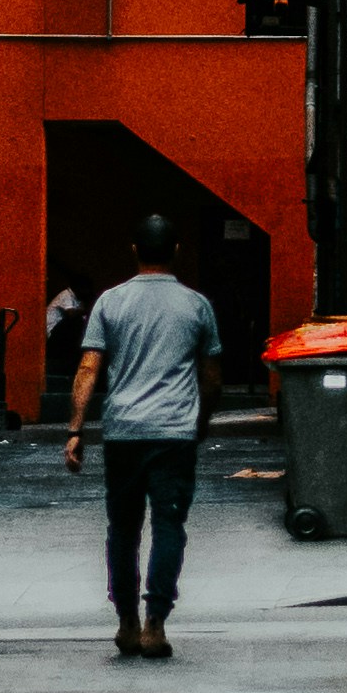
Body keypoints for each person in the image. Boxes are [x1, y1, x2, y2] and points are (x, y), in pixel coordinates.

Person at [66, 209, 222, 659]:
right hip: (174, 433)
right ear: (176, 251)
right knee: (169, 524)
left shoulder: (110, 303)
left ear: (134, 251)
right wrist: (201, 422)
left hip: (123, 433)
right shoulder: (196, 305)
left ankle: (126, 621)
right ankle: (156, 623)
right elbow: (212, 378)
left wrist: (76, 430)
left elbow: (88, 367)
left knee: (123, 528)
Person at [39, 272, 89, 426]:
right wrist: (84, 310)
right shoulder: (66, 295)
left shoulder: (77, 299)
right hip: (53, 334)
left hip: (61, 337)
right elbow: (71, 313)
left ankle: (73, 360)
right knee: (75, 323)